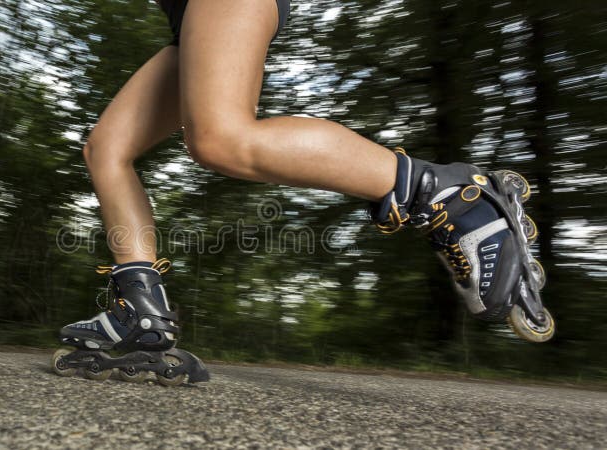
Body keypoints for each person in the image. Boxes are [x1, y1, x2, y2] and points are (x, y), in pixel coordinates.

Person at [53, 0, 554, 386]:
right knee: (107, 149)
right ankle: (140, 306)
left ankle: (448, 195)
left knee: (222, 139)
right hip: (187, 16)